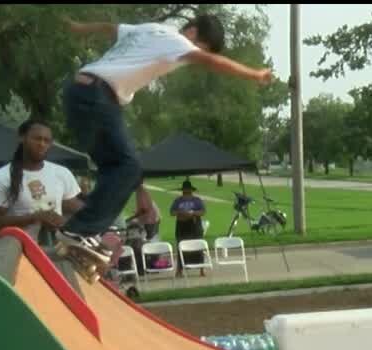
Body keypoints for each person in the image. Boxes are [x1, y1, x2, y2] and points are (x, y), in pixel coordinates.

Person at [55, 14, 272, 267]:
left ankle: (84, 232)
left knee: (112, 169)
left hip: (76, 94)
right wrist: (254, 74)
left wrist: (78, 27)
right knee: (129, 168)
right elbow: (211, 61)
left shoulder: (151, 29)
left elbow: (110, 28)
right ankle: (80, 232)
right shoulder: (177, 41)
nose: (192, 58)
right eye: (199, 48)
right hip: (98, 97)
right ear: (192, 32)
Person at [0, 119, 84, 246]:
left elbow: (72, 206)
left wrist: (98, 214)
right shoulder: (1, 177)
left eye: (47, 141)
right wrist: (34, 218)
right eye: (37, 139)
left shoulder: (61, 173)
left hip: (55, 250)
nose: (42, 144)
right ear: (22, 138)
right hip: (18, 252)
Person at [170, 180, 207, 276]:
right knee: (181, 247)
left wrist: (193, 213)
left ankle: (201, 269)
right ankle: (179, 269)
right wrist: (180, 212)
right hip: (182, 226)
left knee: (198, 247)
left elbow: (202, 211)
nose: (186, 192)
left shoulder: (197, 200)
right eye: (185, 191)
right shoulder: (178, 201)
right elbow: (172, 212)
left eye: (188, 191)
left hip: (195, 226)